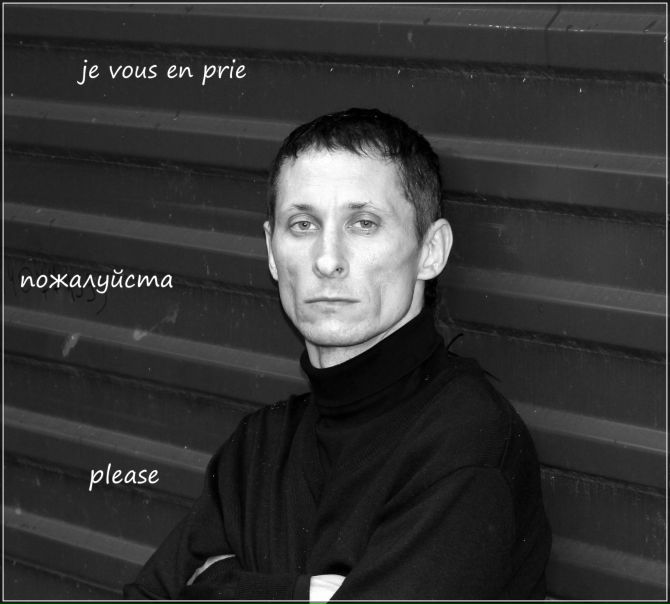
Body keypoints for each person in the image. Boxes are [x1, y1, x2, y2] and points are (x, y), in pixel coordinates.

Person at [123, 108, 552, 600]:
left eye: (363, 223)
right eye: (303, 224)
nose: (327, 260)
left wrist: (216, 585)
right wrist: (304, 594)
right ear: (272, 252)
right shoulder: (258, 448)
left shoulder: (464, 443)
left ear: (431, 250)